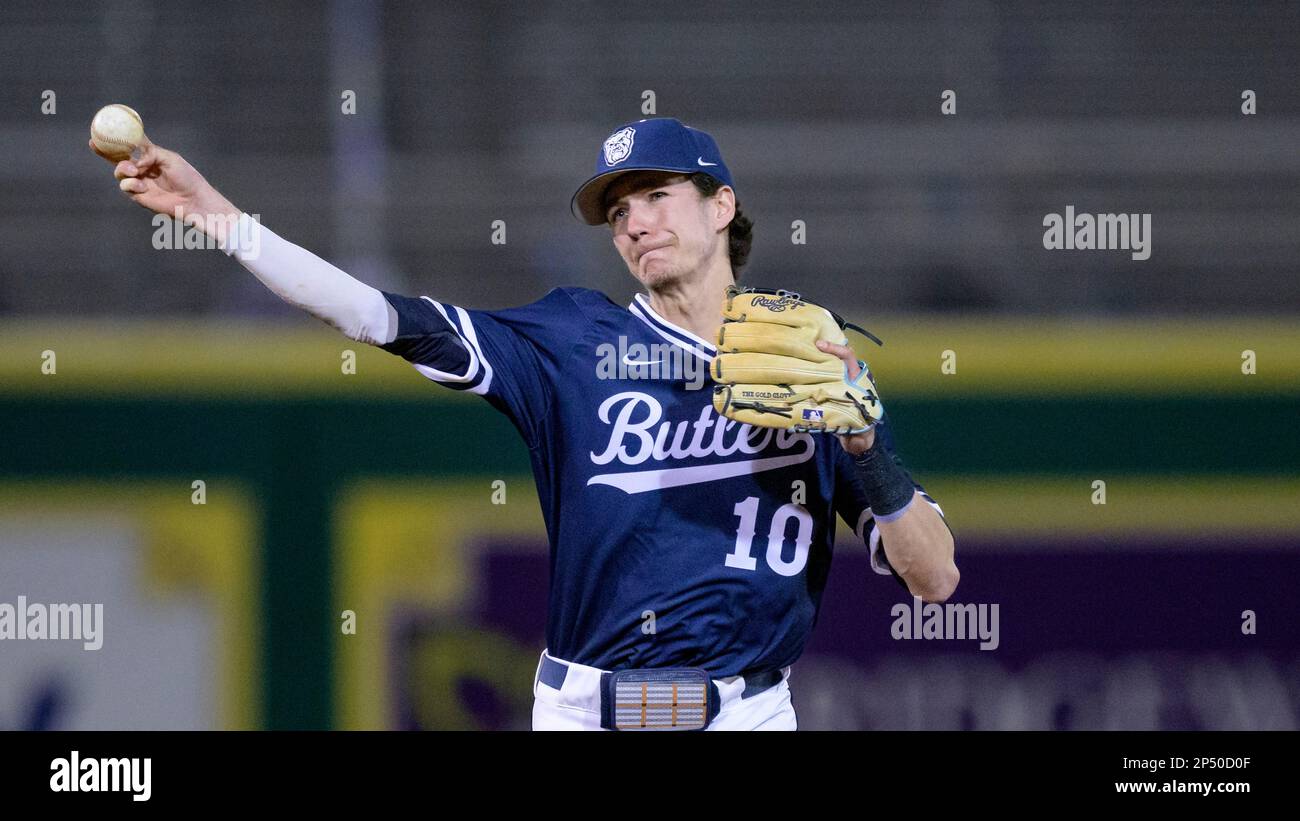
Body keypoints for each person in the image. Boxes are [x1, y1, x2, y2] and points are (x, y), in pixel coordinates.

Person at [93, 116, 958, 731]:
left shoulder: (807, 360)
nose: (634, 223)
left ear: (721, 206)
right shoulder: (571, 339)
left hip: (750, 711)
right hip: (587, 710)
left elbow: (936, 578)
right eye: (618, 212)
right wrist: (215, 215)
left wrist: (865, 446)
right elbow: (378, 315)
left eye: (655, 195)